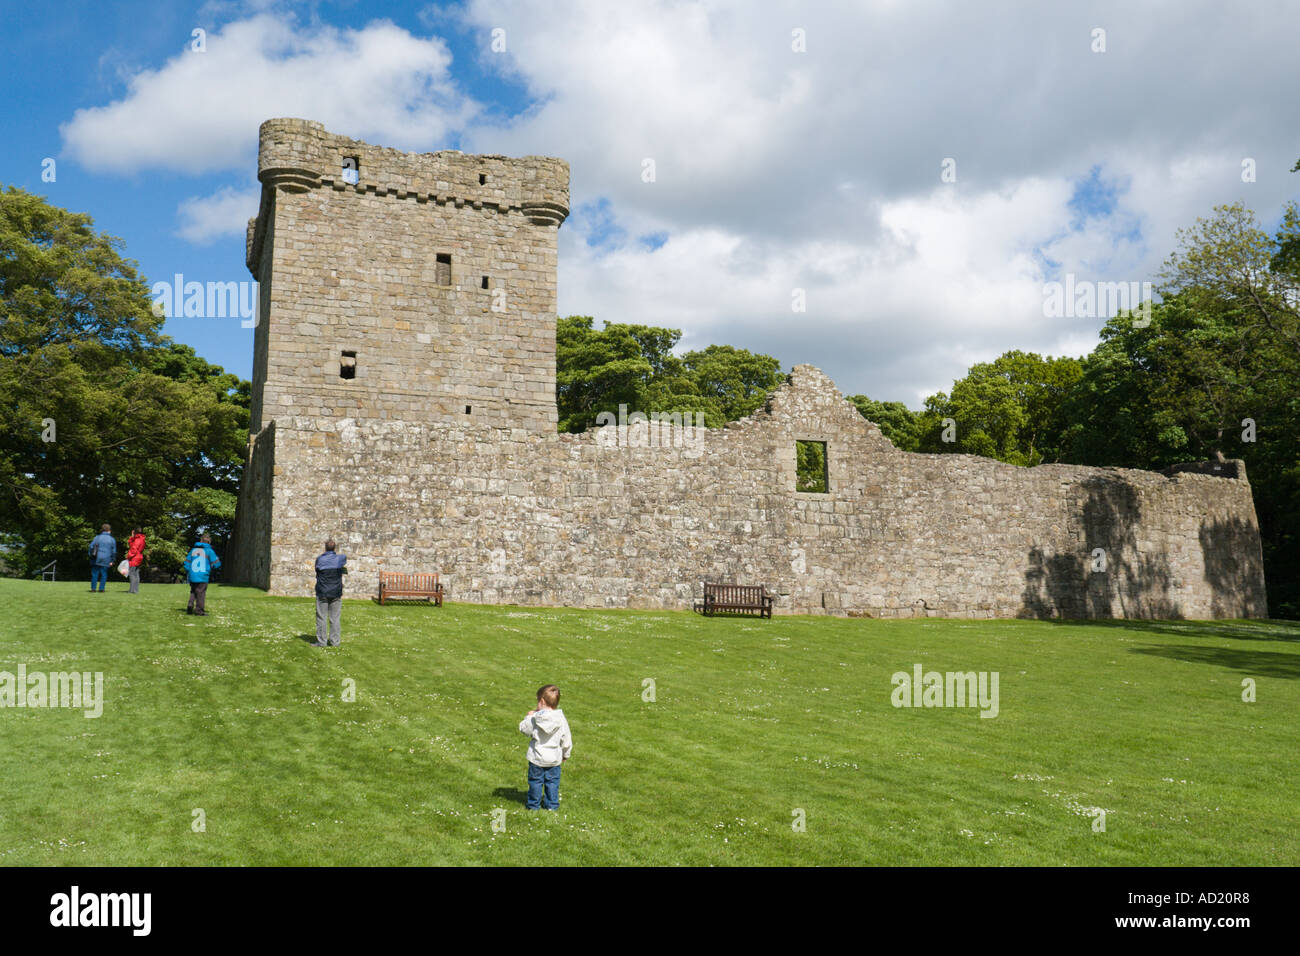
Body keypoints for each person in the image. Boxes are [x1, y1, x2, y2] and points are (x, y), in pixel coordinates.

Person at [518, 684, 572, 810]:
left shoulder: (535, 718)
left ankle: (533, 805)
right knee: (552, 783)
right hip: (554, 759)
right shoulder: (560, 718)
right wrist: (566, 754)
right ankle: (552, 806)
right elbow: (566, 739)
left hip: (537, 757)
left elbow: (524, 730)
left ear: (542, 701)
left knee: (535, 782)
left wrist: (529, 716)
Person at [311, 539, 347, 647]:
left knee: (321, 617)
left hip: (322, 592)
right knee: (335, 618)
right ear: (334, 548)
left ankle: (322, 642)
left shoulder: (320, 559)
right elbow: (344, 558)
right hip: (336, 592)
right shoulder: (340, 559)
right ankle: (335, 642)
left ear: (325, 548)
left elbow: (316, 570)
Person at [183, 534, 221, 616]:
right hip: (203, 575)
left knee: (193, 591)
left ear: (200, 540)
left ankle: (190, 604)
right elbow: (217, 563)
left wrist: (189, 571)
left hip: (193, 575)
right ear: (209, 542)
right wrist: (212, 567)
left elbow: (186, 563)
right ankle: (199, 611)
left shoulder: (193, 550)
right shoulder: (209, 551)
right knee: (201, 593)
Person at [87, 524, 116, 593]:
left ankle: (93, 588)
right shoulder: (112, 539)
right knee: (104, 574)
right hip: (106, 558)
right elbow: (114, 551)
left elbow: (91, 547)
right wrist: (112, 560)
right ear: (109, 530)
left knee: (95, 574)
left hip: (96, 558)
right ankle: (101, 589)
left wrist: (90, 555)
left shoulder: (97, 537)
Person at [126, 528, 146, 594]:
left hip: (135, 558)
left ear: (134, 532)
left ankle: (132, 590)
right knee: (136, 574)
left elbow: (133, 549)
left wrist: (128, 557)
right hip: (139, 557)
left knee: (132, 574)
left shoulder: (137, 540)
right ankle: (135, 590)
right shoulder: (141, 539)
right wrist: (132, 537)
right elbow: (131, 544)